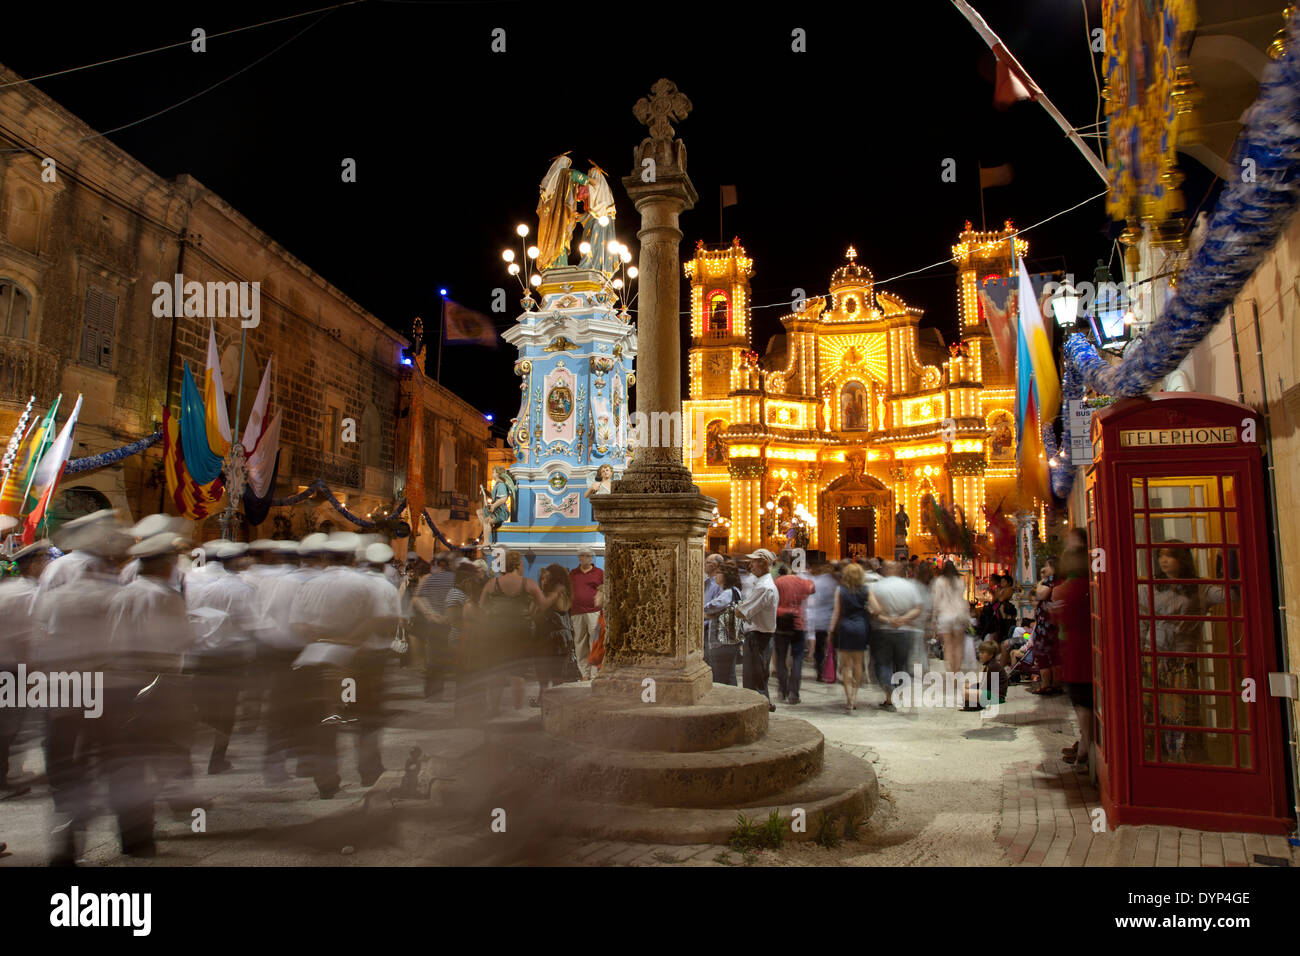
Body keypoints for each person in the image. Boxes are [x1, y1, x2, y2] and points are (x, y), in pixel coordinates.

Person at [478, 548, 545, 712]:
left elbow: (481, 606)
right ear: (517, 565)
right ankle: (517, 709)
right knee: (518, 672)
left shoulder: (492, 583)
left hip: (496, 630)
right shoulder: (527, 583)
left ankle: (494, 708)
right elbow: (542, 604)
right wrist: (531, 610)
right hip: (520, 631)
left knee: (496, 670)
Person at [1052, 530, 1093, 769]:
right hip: (1093, 651)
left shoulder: (1063, 590)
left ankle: (1086, 745)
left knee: (1081, 704)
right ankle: (1087, 744)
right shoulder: (1092, 586)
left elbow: (1058, 618)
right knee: (1089, 702)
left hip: (1074, 652)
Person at [868, 561, 923, 710]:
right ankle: (895, 693)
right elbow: (918, 608)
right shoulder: (910, 586)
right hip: (905, 630)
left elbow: (874, 611)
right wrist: (903, 619)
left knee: (883, 663)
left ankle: (889, 694)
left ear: (884, 570)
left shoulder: (877, 586)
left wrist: (889, 620)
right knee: (901, 664)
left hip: (883, 630)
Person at [735, 549, 779, 712]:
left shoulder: (764, 587)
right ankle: (764, 705)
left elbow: (741, 612)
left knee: (754, 680)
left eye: (754, 561)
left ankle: (759, 711)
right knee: (758, 677)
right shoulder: (760, 584)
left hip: (758, 638)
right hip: (760, 636)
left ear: (764, 564)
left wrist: (740, 609)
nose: (750, 565)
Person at [827, 561, 871, 712]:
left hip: (845, 627)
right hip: (861, 627)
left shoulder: (840, 590)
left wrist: (831, 630)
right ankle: (855, 694)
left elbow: (836, 613)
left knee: (846, 666)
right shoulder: (866, 590)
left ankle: (848, 699)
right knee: (858, 664)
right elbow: (876, 608)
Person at [412, 553, 456, 698]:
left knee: (433, 659)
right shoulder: (456, 579)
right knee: (448, 658)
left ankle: (432, 693)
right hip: (451, 624)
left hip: (434, 624)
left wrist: (429, 613)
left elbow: (418, 598)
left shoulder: (430, 579)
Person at [534, 564, 575, 706]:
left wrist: (534, 592)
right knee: (544, 671)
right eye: (542, 578)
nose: (544, 580)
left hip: (555, 637)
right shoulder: (559, 590)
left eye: (547, 577)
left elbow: (543, 606)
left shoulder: (558, 590)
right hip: (548, 636)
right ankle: (545, 698)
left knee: (555, 672)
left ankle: (554, 701)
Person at [773, 564, 814, 705]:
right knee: (797, 659)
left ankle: (782, 690)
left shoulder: (778, 582)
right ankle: (794, 693)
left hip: (781, 623)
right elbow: (812, 588)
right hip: (797, 623)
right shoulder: (800, 582)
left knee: (780, 659)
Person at [704, 562, 743, 685]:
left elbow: (709, 607)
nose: (716, 576)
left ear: (726, 575)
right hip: (730, 639)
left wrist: (708, 613)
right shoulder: (735, 590)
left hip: (722, 642)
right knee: (729, 675)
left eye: (719, 573)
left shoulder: (727, 593)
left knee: (721, 677)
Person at [1028, 558, 1062, 695]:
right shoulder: (1058, 579)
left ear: (1052, 567)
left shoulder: (1051, 579)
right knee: (1054, 657)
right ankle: (1055, 684)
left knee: (1043, 656)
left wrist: (1040, 582)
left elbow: (1041, 593)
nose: (1043, 569)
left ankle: (1046, 684)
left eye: (1046, 566)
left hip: (1046, 626)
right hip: (1052, 623)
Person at [569, 547, 603, 680]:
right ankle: (584, 673)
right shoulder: (573, 573)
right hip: (577, 612)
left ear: (592, 558)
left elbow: (604, 589)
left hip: (594, 612)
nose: (586, 558)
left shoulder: (599, 573)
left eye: (588, 556)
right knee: (579, 642)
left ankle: (595, 673)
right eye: (583, 556)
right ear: (579, 558)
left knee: (594, 642)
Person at [931, 560, 969, 672]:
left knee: (948, 645)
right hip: (959, 613)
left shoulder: (940, 581)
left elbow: (936, 600)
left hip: (945, 615)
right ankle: (957, 669)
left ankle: (950, 669)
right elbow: (963, 598)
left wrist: (934, 617)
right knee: (958, 645)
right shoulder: (960, 581)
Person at [804, 563, 838, 682]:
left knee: (819, 647)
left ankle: (819, 670)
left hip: (819, 618)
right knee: (833, 648)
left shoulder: (816, 581)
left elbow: (811, 599)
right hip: (833, 619)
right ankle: (832, 671)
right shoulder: (835, 582)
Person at [962, 640, 1008, 711]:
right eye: (980, 652)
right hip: (991, 692)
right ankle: (975, 702)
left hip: (997, 697)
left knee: (965, 692)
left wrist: (971, 688)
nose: (980, 655)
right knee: (965, 687)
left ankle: (979, 704)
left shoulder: (992, 667)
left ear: (991, 655)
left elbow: (984, 686)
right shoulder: (991, 665)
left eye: (983, 653)